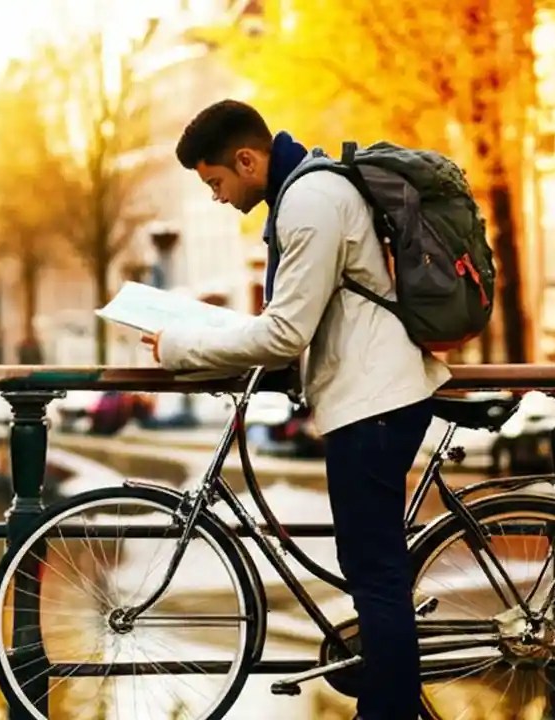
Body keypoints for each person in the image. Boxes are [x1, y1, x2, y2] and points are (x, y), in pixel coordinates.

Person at [142, 99, 451, 720]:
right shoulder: (304, 193)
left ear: (248, 160)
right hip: (369, 397)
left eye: (216, 182)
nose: (216, 197)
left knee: (377, 577)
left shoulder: (309, 203)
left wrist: (181, 346)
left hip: (373, 404)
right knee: (374, 570)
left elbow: (285, 332)